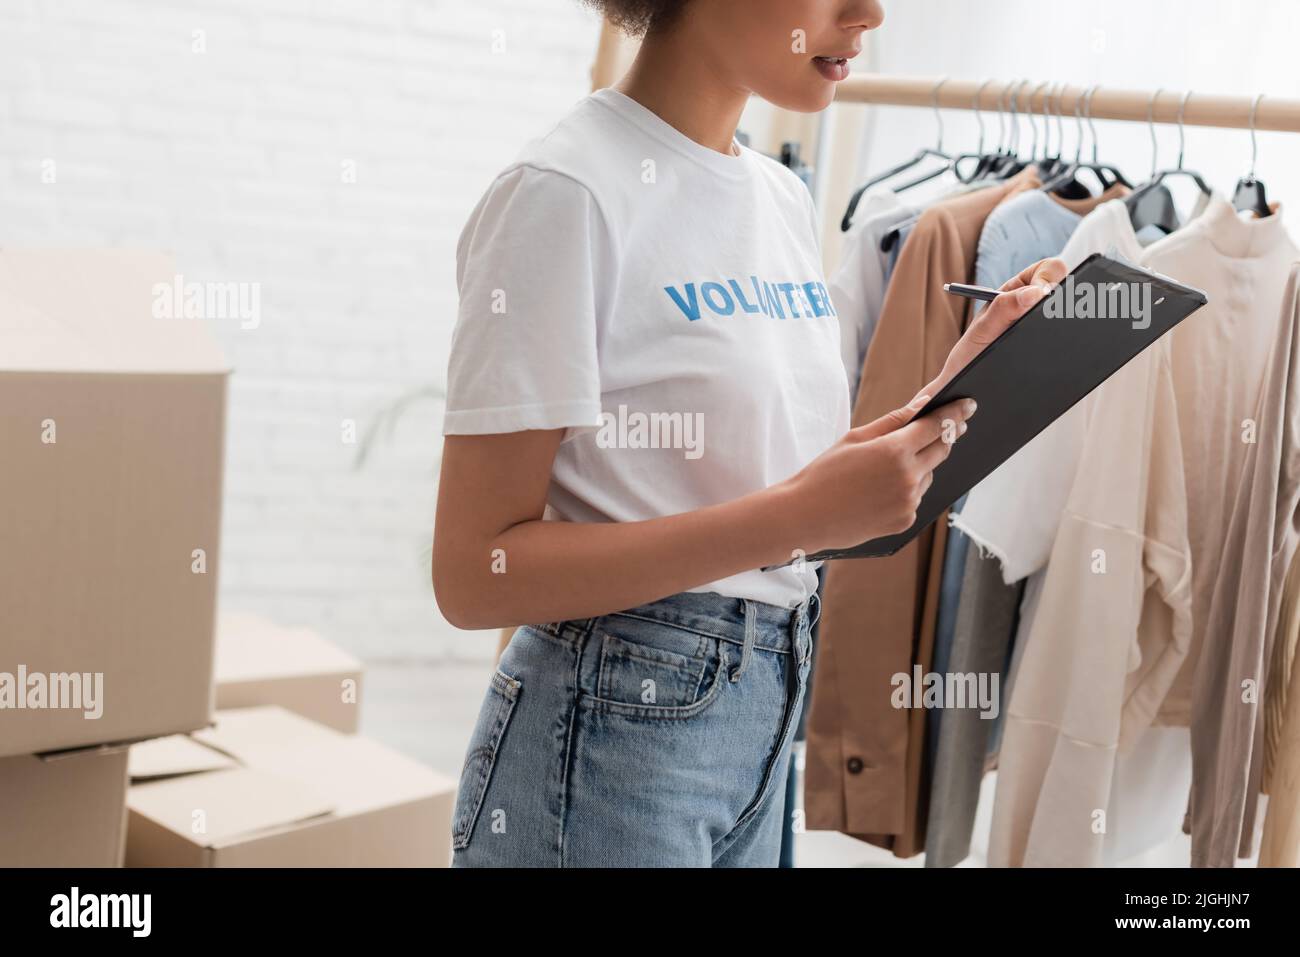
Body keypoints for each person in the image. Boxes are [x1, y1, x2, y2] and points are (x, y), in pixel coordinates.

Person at [434, 0, 1065, 866]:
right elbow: (475, 573)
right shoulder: (564, 192)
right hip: (613, 729)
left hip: (765, 706)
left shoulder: (778, 196)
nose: (870, 13)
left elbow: (785, 498)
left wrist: (958, 382)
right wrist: (796, 519)